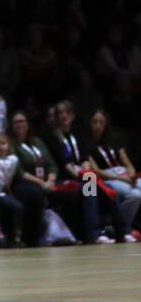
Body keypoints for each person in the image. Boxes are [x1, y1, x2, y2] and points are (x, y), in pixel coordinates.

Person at [47, 100, 107, 243]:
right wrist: (81, 176)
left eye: (67, 112)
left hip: (79, 176)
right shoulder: (53, 137)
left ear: (72, 116)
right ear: (56, 117)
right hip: (63, 179)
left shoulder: (78, 135)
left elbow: (85, 158)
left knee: (91, 183)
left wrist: (85, 172)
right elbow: (65, 163)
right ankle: (92, 233)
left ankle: (95, 233)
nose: (64, 116)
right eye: (60, 113)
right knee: (85, 186)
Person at [88, 109, 141, 242]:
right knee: (135, 194)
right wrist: (122, 178)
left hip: (123, 173)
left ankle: (119, 227)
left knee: (138, 189)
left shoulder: (113, 140)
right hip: (108, 176)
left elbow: (128, 164)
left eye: (101, 122)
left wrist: (131, 175)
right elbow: (95, 171)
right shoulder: (87, 145)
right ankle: (123, 229)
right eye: (95, 122)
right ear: (90, 124)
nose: (98, 125)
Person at [8, 110, 54, 246]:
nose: (20, 124)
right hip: (25, 183)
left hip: (90, 175)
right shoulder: (12, 144)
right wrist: (42, 182)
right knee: (35, 194)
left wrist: (50, 180)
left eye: (22, 121)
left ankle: (92, 234)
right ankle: (35, 237)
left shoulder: (37, 142)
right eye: (16, 122)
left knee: (88, 190)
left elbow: (52, 165)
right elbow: (19, 172)